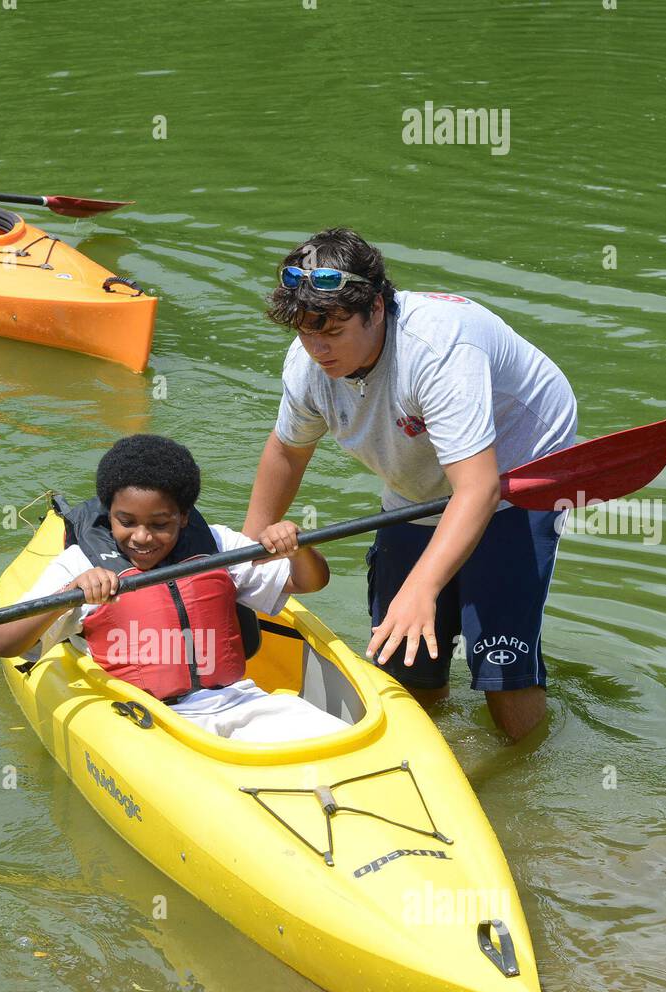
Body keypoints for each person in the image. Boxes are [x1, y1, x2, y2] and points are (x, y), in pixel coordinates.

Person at [242, 227, 578, 742]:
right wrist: (249, 551)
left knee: (500, 668)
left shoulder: (438, 350)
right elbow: (287, 449)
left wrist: (423, 586)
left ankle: (524, 779)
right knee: (404, 658)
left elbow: (478, 489)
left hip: (514, 470)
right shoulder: (306, 364)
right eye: (305, 330)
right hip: (419, 481)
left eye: (331, 330)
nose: (316, 347)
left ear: (376, 308)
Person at [0, 435, 348, 742]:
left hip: (236, 701)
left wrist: (298, 547)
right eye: (125, 522)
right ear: (109, 513)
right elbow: (4, 644)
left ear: (184, 517)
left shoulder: (217, 544)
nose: (142, 537)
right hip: (141, 719)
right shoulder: (80, 564)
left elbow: (309, 581)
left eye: (160, 524)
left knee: (333, 738)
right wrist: (67, 595)